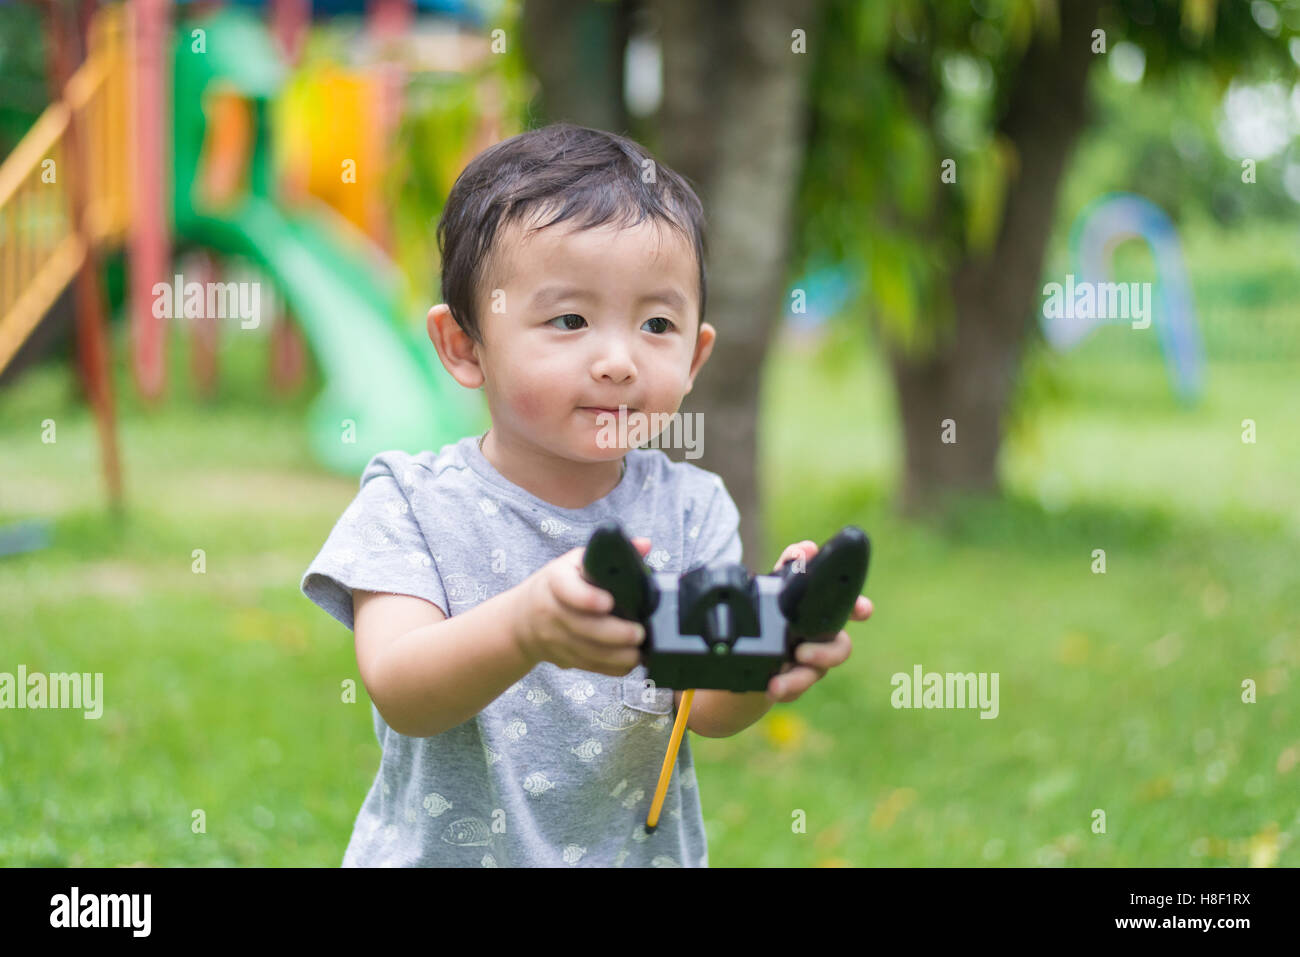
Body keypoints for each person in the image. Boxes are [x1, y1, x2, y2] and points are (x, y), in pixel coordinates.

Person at [300, 122, 870, 867]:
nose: (617, 361)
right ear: (464, 346)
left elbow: (708, 710)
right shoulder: (410, 500)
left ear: (696, 353)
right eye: (569, 320)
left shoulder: (693, 509)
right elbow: (402, 690)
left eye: (657, 324)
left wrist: (772, 648)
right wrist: (527, 626)